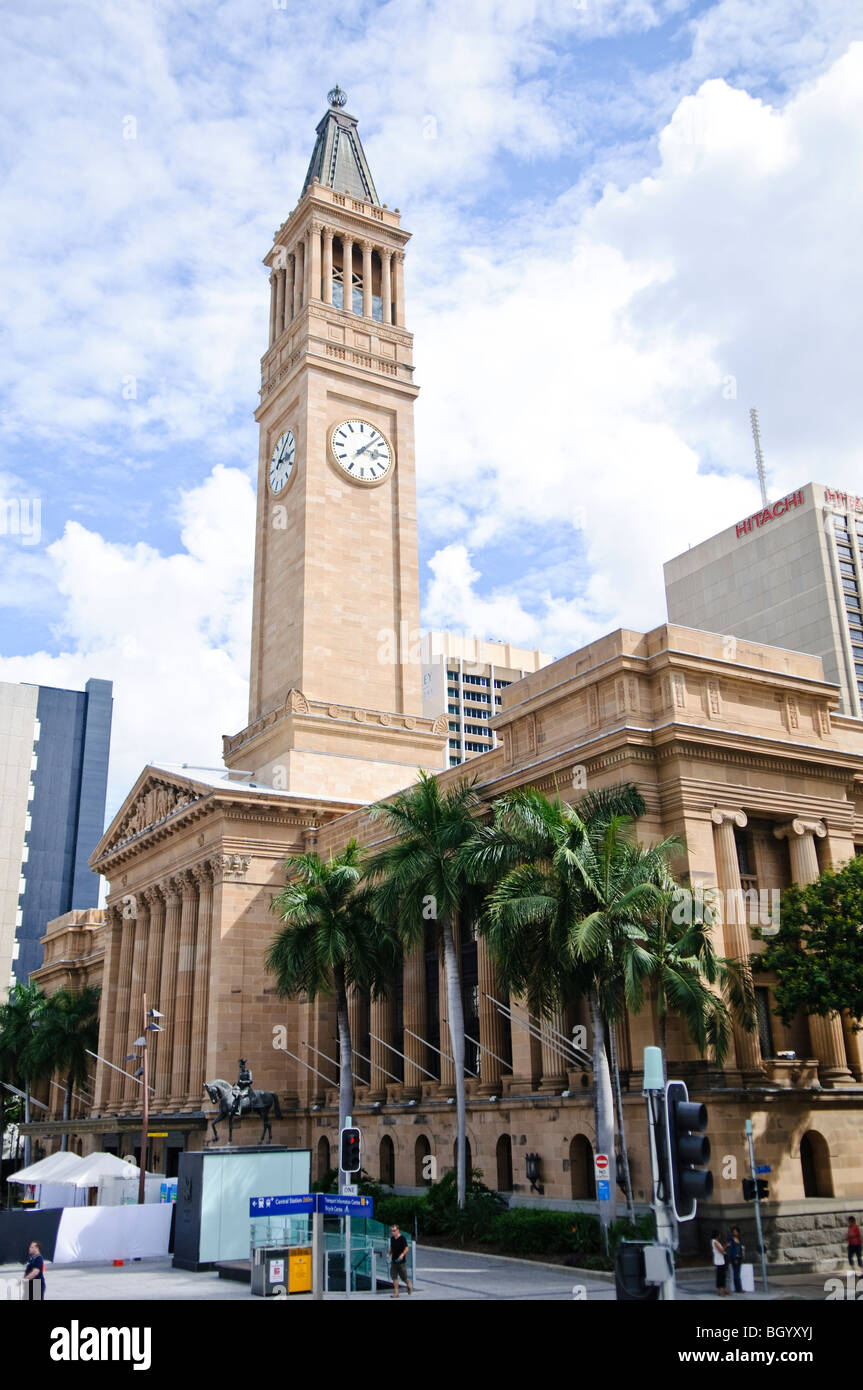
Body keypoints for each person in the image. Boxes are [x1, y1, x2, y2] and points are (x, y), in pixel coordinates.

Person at [388, 1223, 412, 1298]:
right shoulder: (392, 1238)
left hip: (401, 1262)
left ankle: (408, 1284)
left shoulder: (402, 1238)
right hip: (394, 1261)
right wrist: (389, 1253)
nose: (393, 1232)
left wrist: (402, 1254)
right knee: (393, 1276)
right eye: (392, 1231)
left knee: (403, 1277)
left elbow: (407, 1248)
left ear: (398, 1230)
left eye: (394, 1231)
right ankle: (396, 1293)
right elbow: (391, 1247)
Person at [726, 1226, 744, 1293]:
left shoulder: (739, 1239)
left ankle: (739, 1288)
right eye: (734, 1232)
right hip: (735, 1258)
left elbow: (740, 1248)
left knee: (737, 1273)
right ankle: (738, 1288)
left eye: (736, 1231)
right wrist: (734, 1258)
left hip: (739, 1257)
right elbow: (731, 1250)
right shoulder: (731, 1239)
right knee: (736, 1274)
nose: (735, 1233)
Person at [711, 1230, 728, 1296]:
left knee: (722, 1275)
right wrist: (726, 1246)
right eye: (719, 1235)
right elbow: (721, 1250)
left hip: (721, 1260)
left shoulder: (716, 1242)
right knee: (720, 1276)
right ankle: (720, 1290)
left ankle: (723, 1288)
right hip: (719, 1261)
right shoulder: (714, 1242)